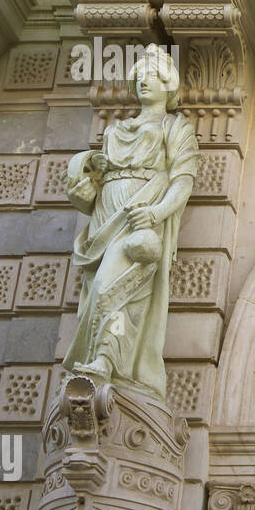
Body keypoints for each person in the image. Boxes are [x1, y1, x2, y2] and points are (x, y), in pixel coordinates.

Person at [63, 45, 199, 403]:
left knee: (119, 288)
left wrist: (156, 213)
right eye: (137, 76)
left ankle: (106, 362)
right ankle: (95, 358)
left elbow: (183, 180)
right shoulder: (115, 129)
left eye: (151, 75)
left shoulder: (175, 126)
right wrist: (83, 189)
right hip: (107, 216)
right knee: (96, 293)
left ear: (168, 84)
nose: (142, 81)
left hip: (142, 214)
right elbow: (95, 182)